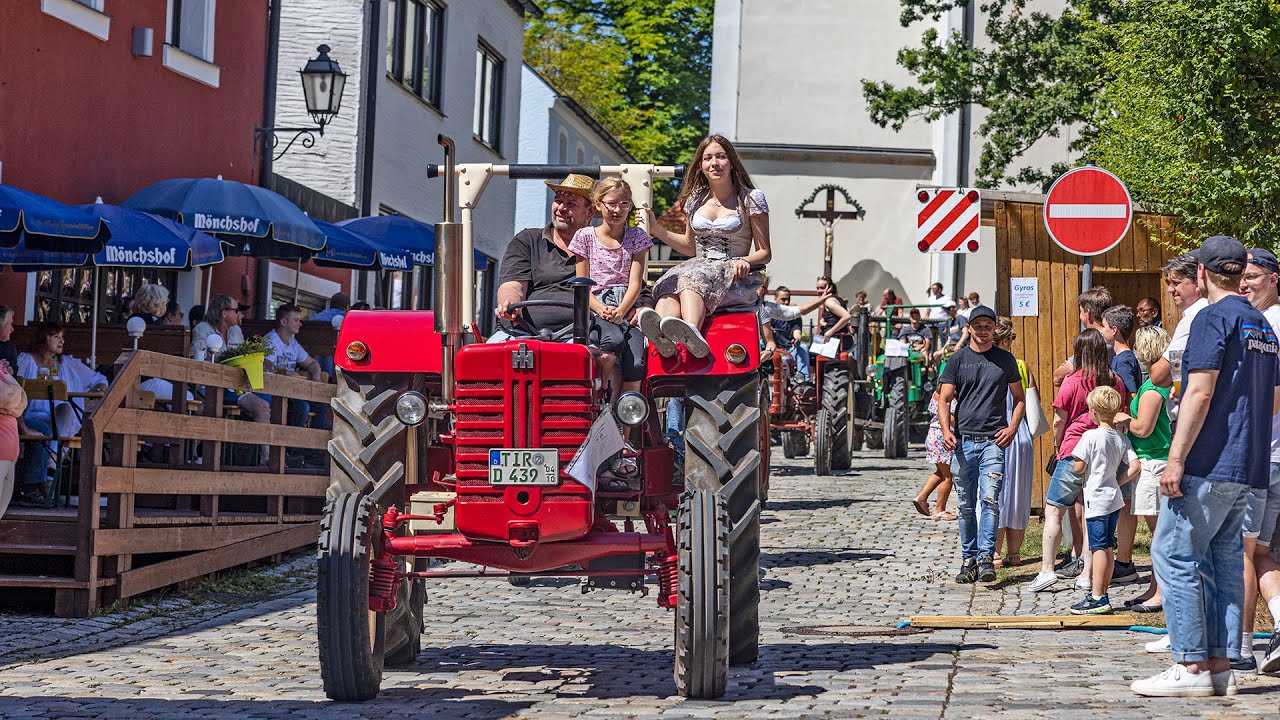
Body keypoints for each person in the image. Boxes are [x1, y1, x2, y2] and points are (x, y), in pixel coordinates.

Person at [1132, 235, 1279, 698]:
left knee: (1172, 555)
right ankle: (1221, 665)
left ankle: (1191, 665)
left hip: (1210, 458)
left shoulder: (1210, 318)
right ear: (1239, 272)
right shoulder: (1260, 323)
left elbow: (1199, 390)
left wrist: (1176, 457)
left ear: (1201, 273)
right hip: (1248, 462)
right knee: (1220, 560)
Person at [639, 134, 771, 358]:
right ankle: (661, 340)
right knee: (666, 287)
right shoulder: (694, 200)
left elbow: (765, 252)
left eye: (721, 157)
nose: (714, 163)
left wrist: (744, 261)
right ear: (700, 166)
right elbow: (691, 248)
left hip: (733, 276)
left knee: (691, 280)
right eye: (708, 158)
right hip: (700, 267)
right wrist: (658, 230)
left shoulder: (751, 199)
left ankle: (691, 332)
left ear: (731, 162)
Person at [1029, 329, 1126, 593]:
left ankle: (1047, 570)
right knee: (1090, 512)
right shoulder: (1115, 380)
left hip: (1074, 449)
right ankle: (1086, 573)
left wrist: (1058, 444)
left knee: (1054, 510)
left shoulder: (1072, 381)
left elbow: (1060, 419)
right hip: (1105, 452)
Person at [937, 305, 1026, 584]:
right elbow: (944, 399)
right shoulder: (958, 360)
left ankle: (987, 558)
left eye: (988, 326)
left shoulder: (1005, 360)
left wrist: (1012, 427)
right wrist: (945, 429)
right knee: (965, 504)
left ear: (994, 329)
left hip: (992, 443)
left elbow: (1020, 399)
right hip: (963, 442)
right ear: (970, 329)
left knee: (989, 500)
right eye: (979, 326)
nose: (983, 330)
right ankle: (968, 559)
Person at [1237, 247, 1280, 673]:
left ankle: (1242, 649)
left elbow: (1273, 395)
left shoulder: (1268, 325)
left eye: (1252, 275)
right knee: (1264, 551)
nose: (1245, 282)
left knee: (1242, 552)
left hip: (1261, 455)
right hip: (1272, 455)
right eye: (1242, 276)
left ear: (1274, 278)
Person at [569, 177, 652, 395]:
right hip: (598, 304)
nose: (617, 209)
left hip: (625, 303)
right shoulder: (585, 236)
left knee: (636, 364)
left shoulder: (637, 237)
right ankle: (599, 391)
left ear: (630, 205)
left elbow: (635, 282)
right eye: (611, 203)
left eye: (624, 204)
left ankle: (627, 424)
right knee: (612, 340)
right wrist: (600, 309)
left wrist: (622, 311)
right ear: (598, 204)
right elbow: (582, 285)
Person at [1070, 385, 1141, 615]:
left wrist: (1079, 464)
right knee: (1109, 546)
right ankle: (1102, 591)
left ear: (1093, 411)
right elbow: (1135, 466)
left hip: (1097, 499)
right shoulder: (1121, 438)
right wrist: (1117, 481)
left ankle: (1098, 595)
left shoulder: (1089, 436)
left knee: (1098, 548)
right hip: (1114, 498)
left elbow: (1079, 467)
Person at [1123, 325, 1173, 615]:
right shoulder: (1156, 383)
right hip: (1152, 460)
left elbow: (1144, 428)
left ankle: (1161, 593)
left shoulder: (1155, 388)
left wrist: (1124, 418)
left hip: (1154, 461)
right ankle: (1154, 588)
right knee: (1157, 534)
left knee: (1159, 535)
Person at [191, 295, 269, 437]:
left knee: (265, 405)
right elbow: (198, 357)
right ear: (224, 313)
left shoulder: (236, 331)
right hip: (207, 387)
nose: (239, 314)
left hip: (234, 386)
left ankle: (263, 456)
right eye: (236, 310)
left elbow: (241, 356)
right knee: (203, 410)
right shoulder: (202, 329)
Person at [17, 321, 109, 441]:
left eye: (62, 337)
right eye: (56, 337)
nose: (62, 341)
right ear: (43, 339)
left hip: (57, 419)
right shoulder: (26, 360)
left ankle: (54, 456)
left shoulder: (67, 363)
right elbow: (15, 385)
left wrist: (98, 391)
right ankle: (53, 458)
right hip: (28, 417)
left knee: (66, 409)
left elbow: (98, 379)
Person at [993, 317, 1034, 567]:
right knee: (1018, 493)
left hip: (997, 433)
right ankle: (1014, 554)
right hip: (1021, 433)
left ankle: (995, 553)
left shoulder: (990, 363)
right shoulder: (1021, 366)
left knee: (996, 493)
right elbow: (1032, 396)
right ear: (1009, 339)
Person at [265, 304, 322, 429]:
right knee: (302, 407)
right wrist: (286, 374)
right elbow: (266, 366)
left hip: (292, 390)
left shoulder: (293, 343)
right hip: (275, 391)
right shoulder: (270, 341)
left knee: (322, 404)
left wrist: (316, 377)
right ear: (284, 322)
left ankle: (313, 446)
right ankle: (292, 447)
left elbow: (312, 363)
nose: (300, 324)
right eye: (296, 320)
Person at [764, 284, 829, 381]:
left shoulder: (794, 317)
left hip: (789, 349)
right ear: (775, 298)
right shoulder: (768, 312)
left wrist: (797, 339)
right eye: (783, 299)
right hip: (772, 348)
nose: (786, 302)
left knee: (803, 347)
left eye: (788, 299)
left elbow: (796, 332)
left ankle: (802, 379)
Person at [1052, 286, 1113, 387]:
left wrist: (1070, 365)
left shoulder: (1094, 342)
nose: (1080, 316)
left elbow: (1057, 377)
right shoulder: (1115, 337)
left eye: (1081, 311)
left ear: (1088, 313)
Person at [917, 386, 956, 521]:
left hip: (933, 435)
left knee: (940, 472)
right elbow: (950, 418)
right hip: (942, 436)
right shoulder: (949, 396)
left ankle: (921, 498)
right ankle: (940, 510)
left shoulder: (936, 394)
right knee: (948, 476)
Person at [0, 355, 27, 519]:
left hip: (10, 451)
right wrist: (15, 395)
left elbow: (23, 400)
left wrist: (15, 397)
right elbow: (10, 398)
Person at [814, 276, 854, 350]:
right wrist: (824, 323)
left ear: (830, 288)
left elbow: (846, 316)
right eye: (817, 288)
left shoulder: (829, 301)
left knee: (810, 356)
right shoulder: (836, 299)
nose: (819, 291)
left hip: (835, 339)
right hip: (838, 338)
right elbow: (833, 318)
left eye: (822, 288)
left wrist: (830, 332)